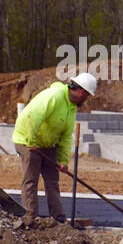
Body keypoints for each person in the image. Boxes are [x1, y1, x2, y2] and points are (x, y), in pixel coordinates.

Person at [11, 73, 97, 219]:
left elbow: (65, 137)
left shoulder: (71, 108)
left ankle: (58, 218)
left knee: (52, 180)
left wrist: (63, 162)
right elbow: (33, 116)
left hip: (47, 143)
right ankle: (30, 218)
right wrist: (30, 142)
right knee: (31, 179)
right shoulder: (54, 96)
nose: (86, 99)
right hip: (26, 139)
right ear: (82, 92)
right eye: (87, 96)